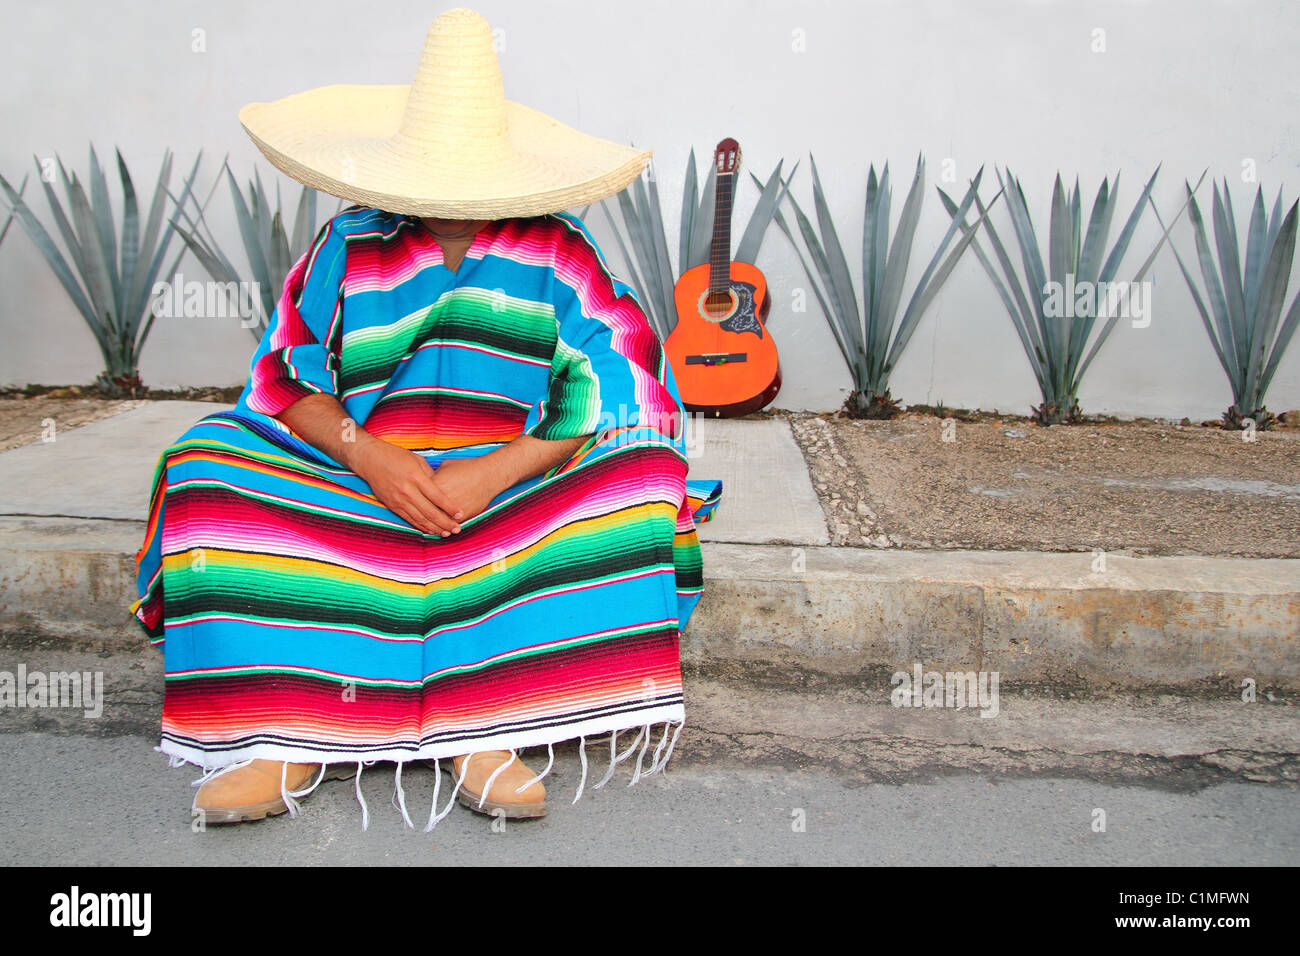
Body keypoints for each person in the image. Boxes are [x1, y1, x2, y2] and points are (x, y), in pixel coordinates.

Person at [130, 7, 722, 828]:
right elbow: (283, 380)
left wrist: (497, 470)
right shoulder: (348, 242)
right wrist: (370, 455)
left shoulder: (558, 249)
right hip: (359, 489)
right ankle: (293, 732)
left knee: (645, 475)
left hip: (504, 504)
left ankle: (485, 720)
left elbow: (622, 385)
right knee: (202, 463)